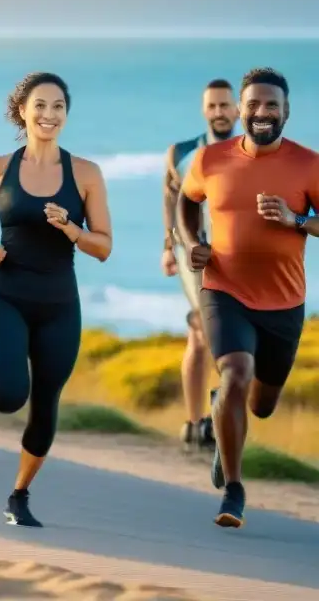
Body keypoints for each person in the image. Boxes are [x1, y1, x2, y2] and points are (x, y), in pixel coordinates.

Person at [0, 73, 113, 528]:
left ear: (66, 114)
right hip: (5, 292)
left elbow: (103, 247)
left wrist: (71, 228)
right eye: (40, 106)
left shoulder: (85, 173)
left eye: (58, 107)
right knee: (7, 398)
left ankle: (19, 494)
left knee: (46, 403)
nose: (49, 115)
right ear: (22, 111)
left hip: (58, 303)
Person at [177, 67, 318, 529]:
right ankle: (233, 490)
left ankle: (226, 416)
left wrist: (296, 221)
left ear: (286, 112)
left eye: (271, 105)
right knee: (236, 371)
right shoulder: (210, 159)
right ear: (240, 110)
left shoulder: (308, 164)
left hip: (283, 302)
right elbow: (186, 199)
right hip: (224, 289)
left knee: (260, 404)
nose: (262, 112)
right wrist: (191, 240)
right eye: (253, 104)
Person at [161, 78, 238, 452]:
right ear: (204, 110)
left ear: (238, 109)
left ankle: (198, 423)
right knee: (204, 328)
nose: (220, 112)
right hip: (193, 254)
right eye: (213, 106)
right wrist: (167, 246)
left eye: (226, 105)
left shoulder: (252, 150)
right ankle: (201, 421)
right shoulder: (183, 152)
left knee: (217, 336)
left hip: (237, 258)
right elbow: (170, 197)